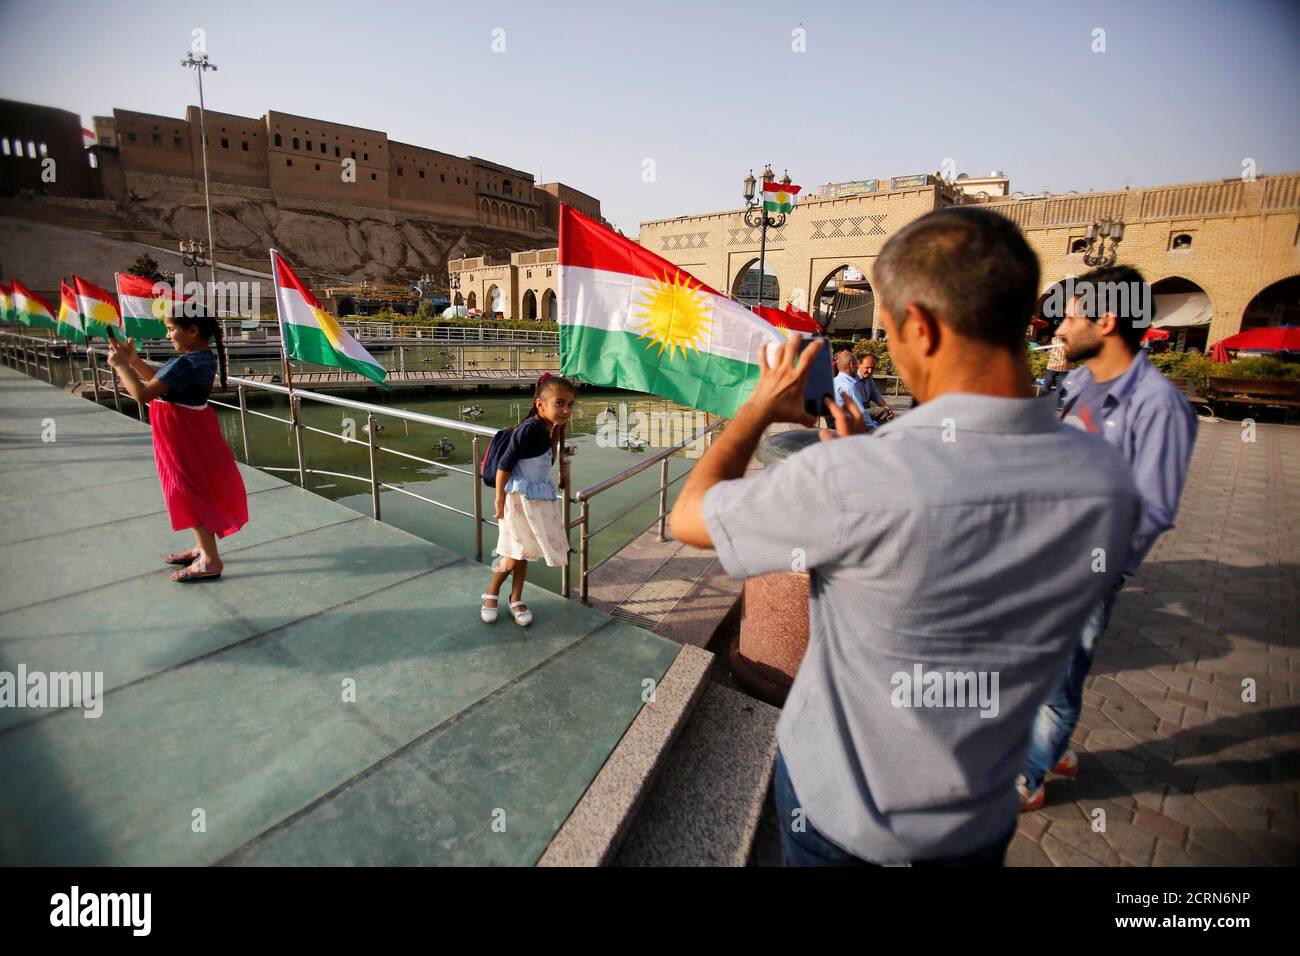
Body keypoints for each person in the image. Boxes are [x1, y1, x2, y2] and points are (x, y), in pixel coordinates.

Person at [670, 206, 1139, 866]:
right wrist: (873, 454)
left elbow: (691, 515)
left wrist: (754, 409)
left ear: (919, 327)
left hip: (842, 816)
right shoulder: (1108, 479)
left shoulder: (859, 480)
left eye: (886, 332)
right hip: (977, 815)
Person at [1017, 265, 1197, 810]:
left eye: (1071, 315)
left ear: (1109, 319)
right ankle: (1054, 749)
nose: (1059, 329)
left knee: (1056, 679)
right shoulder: (1075, 384)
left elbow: (1155, 508)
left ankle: (1029, 775)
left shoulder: (1158, 405)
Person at [107, 312, 248, 582]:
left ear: (192, 330)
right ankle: (203, 547)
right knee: (195, 488)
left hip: (180, 432)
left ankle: (210, 561)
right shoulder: (201, 358)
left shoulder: (184, 363)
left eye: (171, 329)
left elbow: (143, 394)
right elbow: (162, 384)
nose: (168, 335)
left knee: (187, 491)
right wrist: (134, 360)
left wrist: (121, 366)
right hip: (192, 427)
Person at [481, 373, 574, 627]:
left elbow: (545, 462)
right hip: (518, 501)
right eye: (559, 403)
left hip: (535, 501)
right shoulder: (530, 429)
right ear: (540, 404)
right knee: (513, 554)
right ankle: (490, 594)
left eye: (569, 404)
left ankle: (516, 598)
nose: (566, 410)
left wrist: (557, 434)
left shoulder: (548, 428)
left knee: (525, 553)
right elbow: (504, 464)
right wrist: (499, 500)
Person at [831, 350, 878, 430]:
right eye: (857, 365)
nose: (858, 368)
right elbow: (861, 415)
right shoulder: (849, 386)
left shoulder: (835, 381)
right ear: (852, 365)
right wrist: (875, 427)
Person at [856, 352, 895, 423]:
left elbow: (876, 394)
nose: (870, 371)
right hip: (857, 411)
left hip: (867, 407)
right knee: (883, 412)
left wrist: (886, 406)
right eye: (867, 368)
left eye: (873, 368)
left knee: (887, 411)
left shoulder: (869, 378)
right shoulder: (853, 379)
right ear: (859, 364)